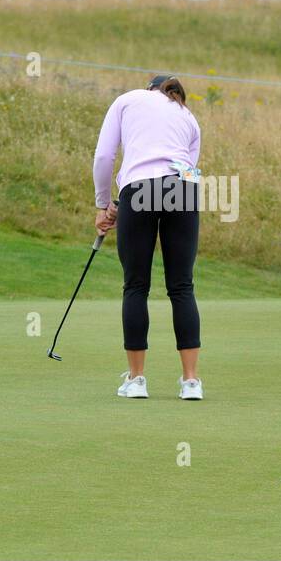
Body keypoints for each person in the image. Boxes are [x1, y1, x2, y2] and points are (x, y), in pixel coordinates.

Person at [92, 75, 204, 401]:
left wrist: (105, 204)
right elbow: (187, 167)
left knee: (137, 285)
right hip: (183, 189)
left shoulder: (128, 100)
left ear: (149, 88)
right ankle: (191, 382)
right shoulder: (188, 116)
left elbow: (104, 157)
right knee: (181, 285)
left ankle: (137, 380)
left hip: (138, 188)